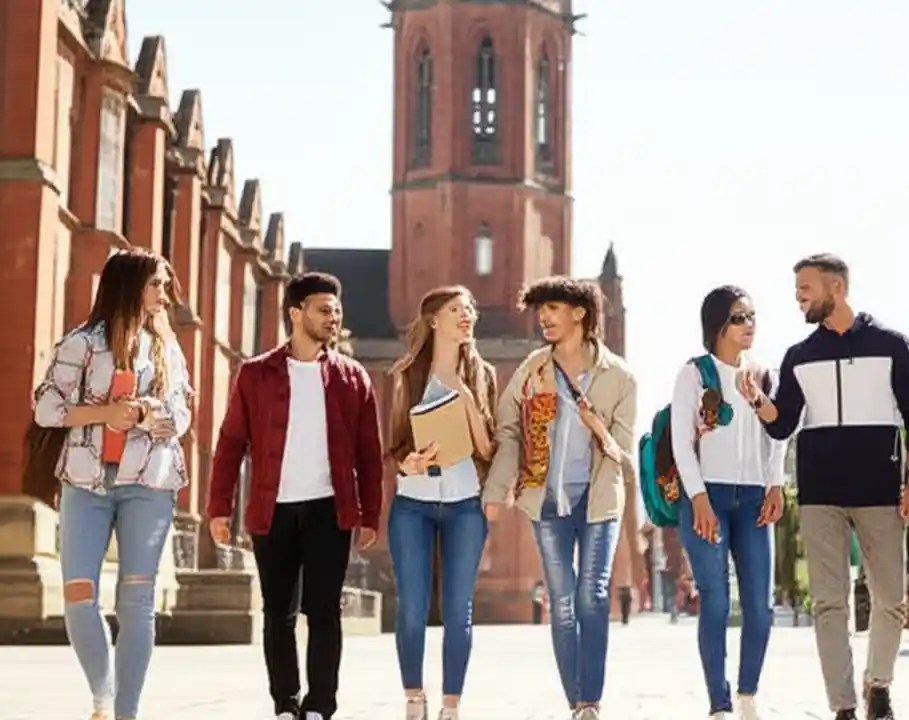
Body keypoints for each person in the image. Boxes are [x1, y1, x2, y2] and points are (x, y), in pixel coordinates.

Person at [738, 253, 909, 720]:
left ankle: (878, 684)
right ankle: (843, 705)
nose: (799, 297)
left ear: (836, 288)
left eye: (806, 287)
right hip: (820, 494)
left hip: (881, 492)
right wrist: (759, 402)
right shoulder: (800, 356)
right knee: (829, 603)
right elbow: (782, 425)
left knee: (890, 599)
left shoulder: (892, 345)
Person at [207, 272, 384, 720]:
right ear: (295, 313)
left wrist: (370, 513)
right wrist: (217, 508)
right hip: (273, 510)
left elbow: (369, 452)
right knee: (278, 613)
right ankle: (286, 703)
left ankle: (320, 705)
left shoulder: (352, 377)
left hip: (330, 509)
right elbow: (230, 444)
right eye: (324, 309)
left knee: (324, 611)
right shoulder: (255, 374)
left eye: (337, 310)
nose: (333, 317)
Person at [28, 248, 191, 720]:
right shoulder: (81, 342)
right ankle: (103, 694)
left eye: (165, 284)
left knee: (138, 601)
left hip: (151, 484)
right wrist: (105, 414)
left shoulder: (167, 348)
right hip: (85, 483)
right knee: (79, 596)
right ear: (129, 285)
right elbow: (46, 408)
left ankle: (126, 712)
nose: (165, 294)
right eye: (156, 284)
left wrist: (147, 413)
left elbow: (181, 416)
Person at [481, 277, 638, 720]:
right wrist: (497, 490)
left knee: (593, 594)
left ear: (579, 314)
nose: (544, 318)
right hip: (546, 503)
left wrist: (597, 426)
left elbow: (623, 452)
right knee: (562, 600)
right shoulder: (534, 368)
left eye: (553, 309)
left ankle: (591, 699)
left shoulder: (619, 376)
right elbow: (508, 428)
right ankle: (577, 701)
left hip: (599, 501)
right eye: (541, 310)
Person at [671, 285, 786, 720]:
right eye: (739, 318)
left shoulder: (765, 375)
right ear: (717, 324)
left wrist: (775, 484)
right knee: (715, 600)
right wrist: (698, 498)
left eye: (752, 316)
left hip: (755, 497)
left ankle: (747, 695)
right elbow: (682, 444)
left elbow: (779, 434)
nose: (749, 325)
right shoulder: (694, 374)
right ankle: (718, 703)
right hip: (708, 496)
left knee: (759, 604)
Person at [385, 286, 497, 720]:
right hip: (412, 504)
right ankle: (415, 697)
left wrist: (466, 397)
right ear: (433, 320)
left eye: (470, 308)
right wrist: (407, 462)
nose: (467, 315)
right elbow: (394, 444)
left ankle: (452, 705)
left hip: (465, 504)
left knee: (458, 610)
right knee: (412, 606)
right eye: (456, 310)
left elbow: (487, 448)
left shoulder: (482, 374)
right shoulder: (408, 374)